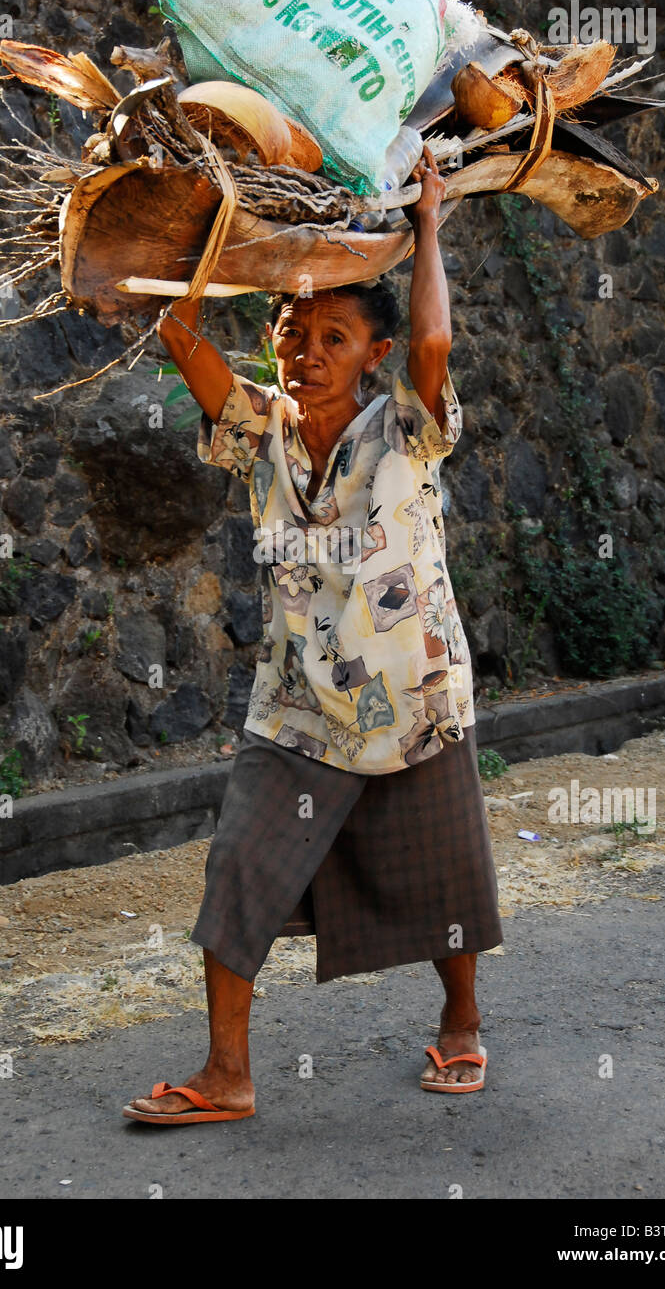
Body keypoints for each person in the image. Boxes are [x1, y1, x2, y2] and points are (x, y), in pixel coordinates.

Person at [123, 146, 503, 1125]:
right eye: (296, 332)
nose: (309, 352)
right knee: (238, 865)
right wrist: (207, 228)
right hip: (295, 710)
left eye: (335, 336)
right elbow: (175, 324)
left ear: (372, 355)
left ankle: (461, 1024)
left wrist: (425, 228)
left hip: (413, 703)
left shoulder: (407, 428)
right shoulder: (259, 429)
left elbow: (433, 352)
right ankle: (227, 1075)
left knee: (440, 874)